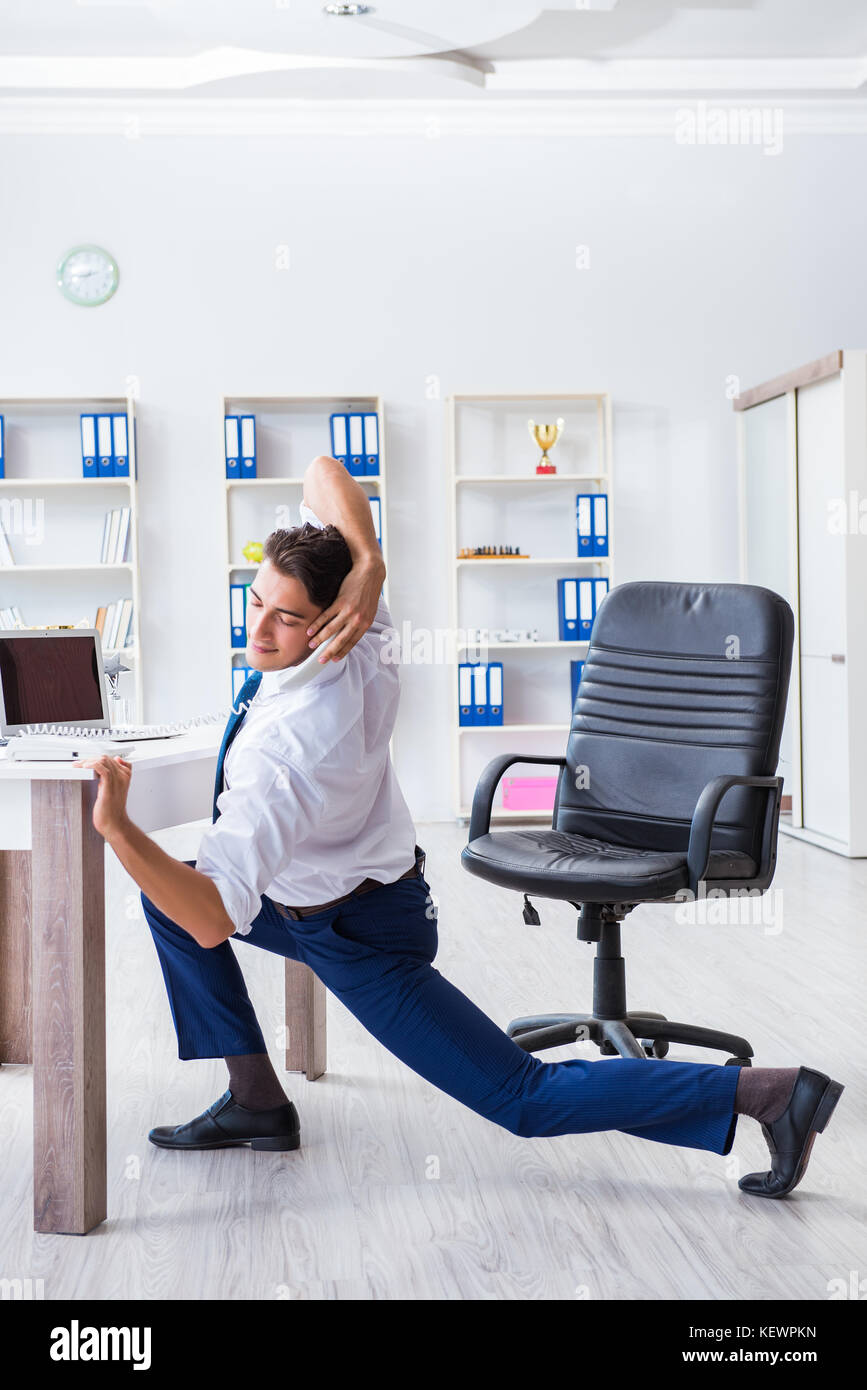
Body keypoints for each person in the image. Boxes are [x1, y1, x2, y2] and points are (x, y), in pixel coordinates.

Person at [76, 454, 844, 1199]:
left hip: (356, 934)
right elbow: (321, 470)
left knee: (522, 1097)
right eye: (255, 600)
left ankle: (771, 1095)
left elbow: (213, 918)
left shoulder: (287, 753)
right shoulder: (365, 628)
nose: (262, 629)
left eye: (286, 617)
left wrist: (117, 828)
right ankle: (256, 1102)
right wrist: (369, 561)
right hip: (351, 894)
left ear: (326, 623)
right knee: (162, 901)